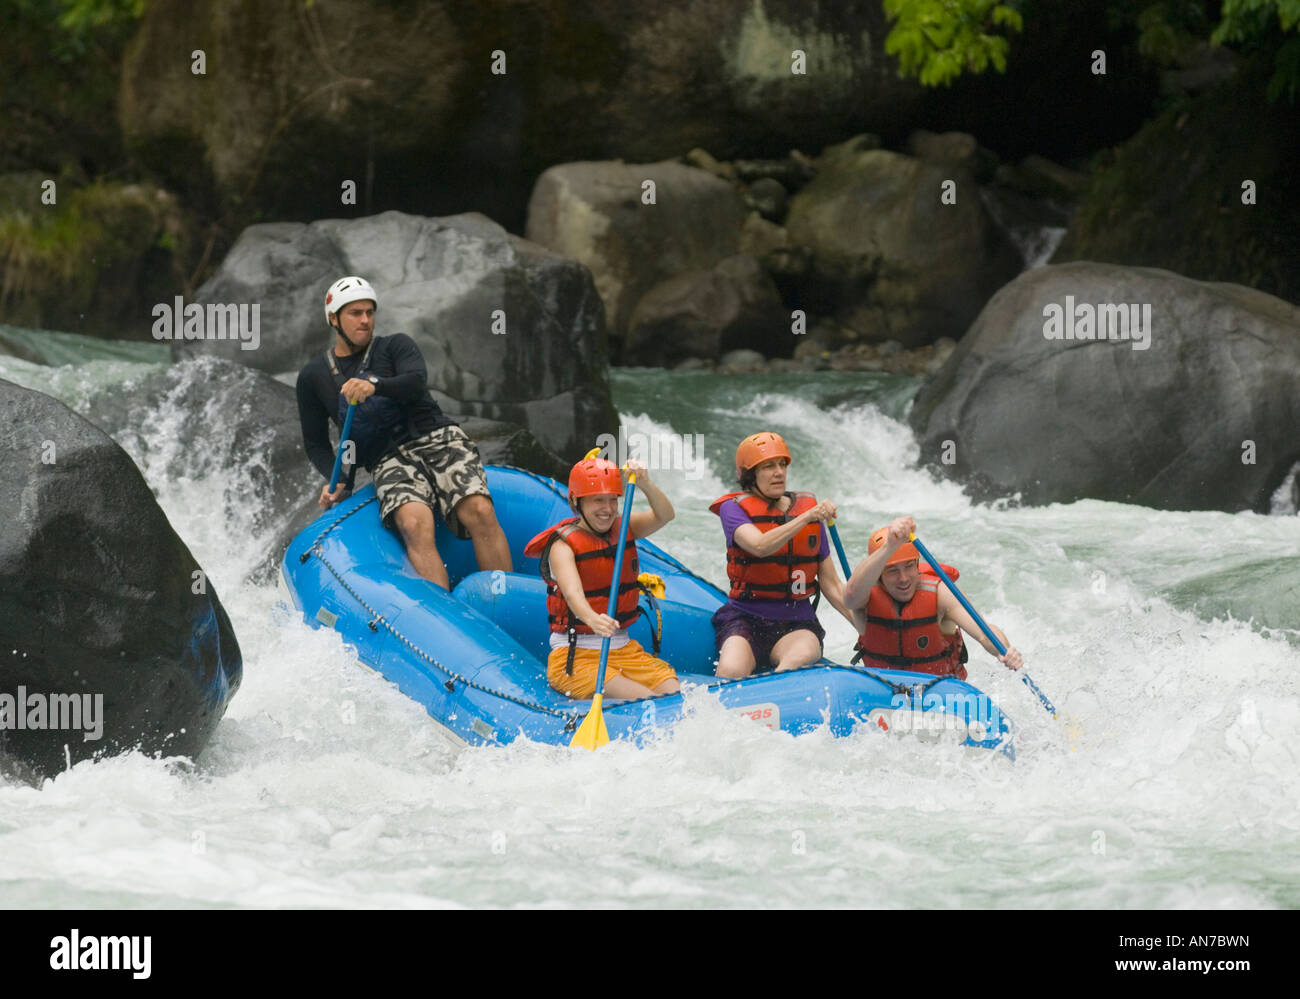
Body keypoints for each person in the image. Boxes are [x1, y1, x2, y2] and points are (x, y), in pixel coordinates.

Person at [296, 275, 512, 588]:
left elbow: (415, 381)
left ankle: (502, 599)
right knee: (413, 523)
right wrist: (339, 478)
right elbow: (315, 443)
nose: (365, 320)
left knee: (478, 510)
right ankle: (446, 618)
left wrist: (373, 385)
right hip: (387, 460)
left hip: (436, 440)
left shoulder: (395, 345)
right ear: (334, 319)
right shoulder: (313, 377)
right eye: (355, 313)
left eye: (369, 312)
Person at [523, 456, 680, 700]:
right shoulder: (562, 545)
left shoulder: (624, 525)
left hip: (625, 651)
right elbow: (573, 592)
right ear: (577, 501)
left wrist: (645, 483)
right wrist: (591, 618)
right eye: (598, 500)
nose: (607, 509)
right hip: (575, 657)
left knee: (672, 692)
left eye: (612, 500)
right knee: (644, 699)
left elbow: (665, 515)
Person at [708, 432, 854, 678]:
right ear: (749, 475)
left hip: (797, 623)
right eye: (768, 467)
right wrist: (807, 518)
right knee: (730, 670)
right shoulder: (732, 509)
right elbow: (760, 546)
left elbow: (832, 585)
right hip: (746, 618)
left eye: (782, 465)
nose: (779, 472)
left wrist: (865, 629)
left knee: (794, 662)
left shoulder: (809, 511)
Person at [842, 515, 1023, 678]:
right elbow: (849, 596)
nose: (904, 578)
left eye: (909, 567)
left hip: (939, 693)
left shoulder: (940, 594)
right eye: (892, 571)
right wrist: (890, 545)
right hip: (883, 691)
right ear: (879, 576)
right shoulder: (864, 598)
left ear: (917, 565)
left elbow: (984, 632)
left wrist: (1004, 651)